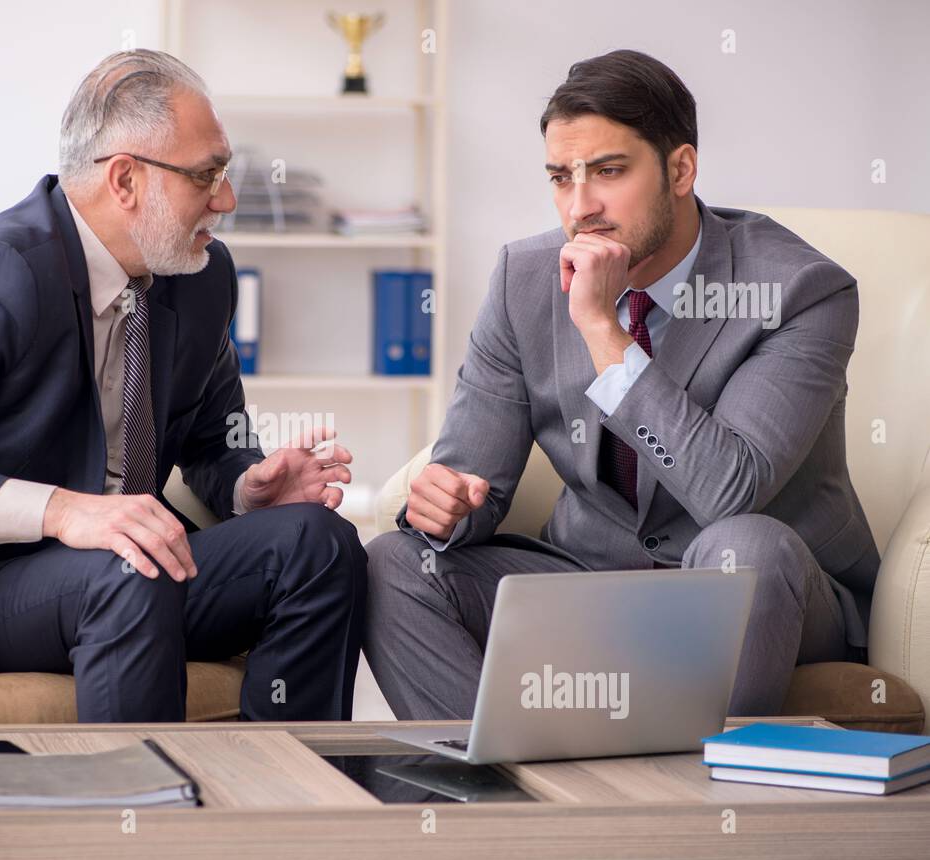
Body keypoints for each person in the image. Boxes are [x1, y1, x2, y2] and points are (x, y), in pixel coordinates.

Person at [0, 49, 366, 722]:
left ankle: (283, 801)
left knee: (318, 543)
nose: (226, 199)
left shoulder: (200, 277)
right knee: (129, 566)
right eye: (207, 175)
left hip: (141, 573)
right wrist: (63, 510)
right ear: (126, 180)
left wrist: (247, 489)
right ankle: (138, 817)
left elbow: (209, 439)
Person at [365, 49, 878, 720]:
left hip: (768, 587)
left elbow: (729, 490)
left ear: (681, 169)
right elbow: (472, 479)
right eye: (560, 178)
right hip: (591, 577)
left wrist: (603, 330)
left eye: (608, 172)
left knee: (741, 548)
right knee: (394, 563)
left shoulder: (799, 290)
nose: (580, 208)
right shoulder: (522, 279)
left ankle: (688, 817)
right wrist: (449, 505)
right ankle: (498, 798)